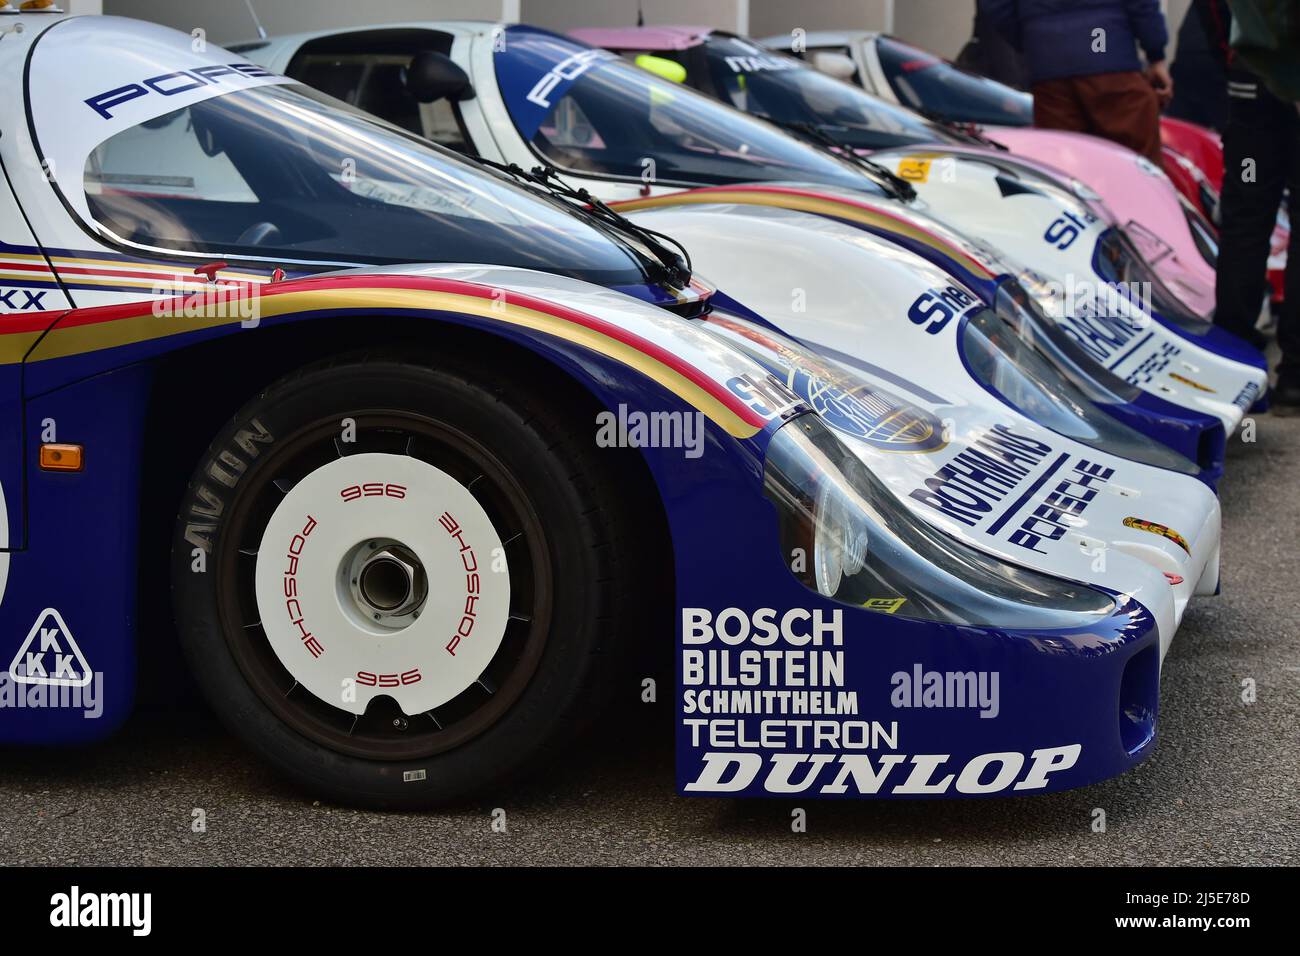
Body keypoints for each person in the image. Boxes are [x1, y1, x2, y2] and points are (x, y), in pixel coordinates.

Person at [1200, 0, 1300, 409]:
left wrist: (1235, 60)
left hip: (1251, 86)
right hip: (1262, 82)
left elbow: (1213, 11)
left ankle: (1233, 362)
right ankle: (1295, 375)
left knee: (1245, 219)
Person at [981, 0, 1172, 164]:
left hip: (1049, 68)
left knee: (1067, 165)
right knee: (1136, 165)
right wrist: (1155, 54)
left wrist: (1035, 39)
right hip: (1105, 51)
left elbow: (996, 6)